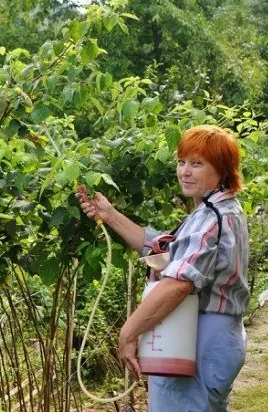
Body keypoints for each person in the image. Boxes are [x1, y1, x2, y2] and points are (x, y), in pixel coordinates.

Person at [76, 125, 250, 411]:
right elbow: (163, 250)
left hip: (200, 336)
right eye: (181, 162)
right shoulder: (217, 210)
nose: (185, 171)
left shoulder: (213, 217)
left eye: (197, 164)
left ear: (222, 169)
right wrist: (108, 214)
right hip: (214, 334)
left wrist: (128, 332)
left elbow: (179, 283)